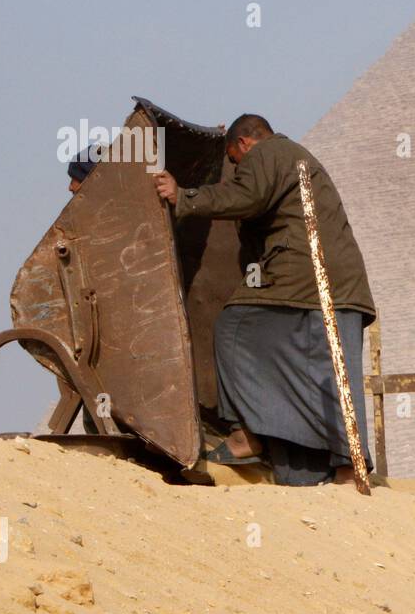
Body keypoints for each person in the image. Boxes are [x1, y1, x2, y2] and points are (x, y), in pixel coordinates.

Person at [153, 114, 376, 485]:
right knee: (328, 373)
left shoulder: (266, 153)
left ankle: (246, 436)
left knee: (234, 327)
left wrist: (184, 196)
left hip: (306, 276)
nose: (238, 169)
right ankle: (342, 467)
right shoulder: (294, 155)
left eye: (235, 163)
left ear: (243, 144)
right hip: (333, 282)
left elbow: (247, 196)